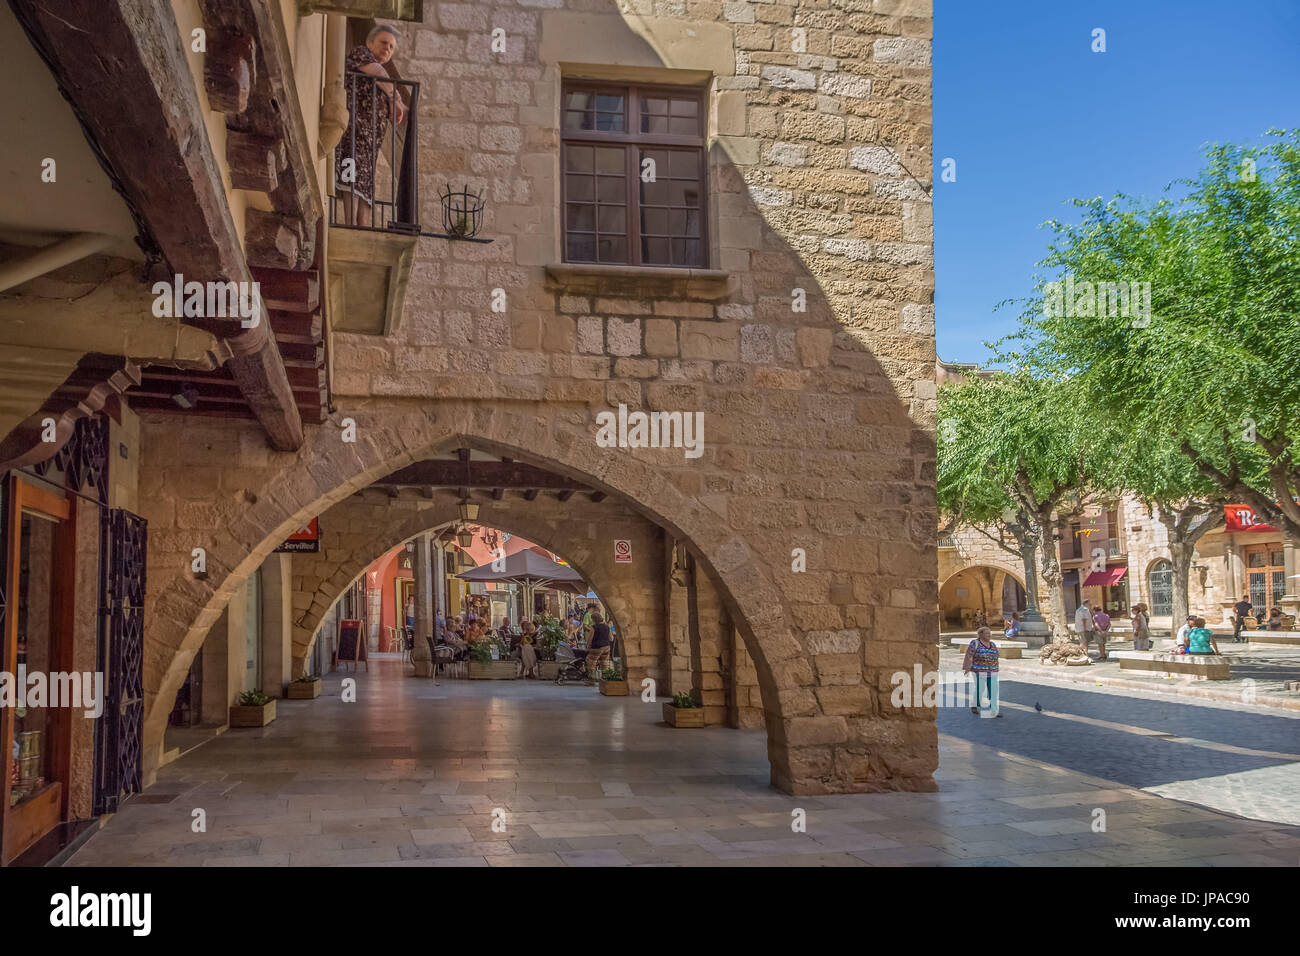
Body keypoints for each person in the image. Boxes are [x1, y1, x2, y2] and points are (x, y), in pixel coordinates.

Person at [335, 25, 407, 227]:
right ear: (370, 43)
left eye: (392, 47)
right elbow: (376, 71)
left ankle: (363, 227)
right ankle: (350, 225)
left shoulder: (383, 82)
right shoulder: (361, 53)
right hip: (354, 132)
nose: (388, 49)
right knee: (352, 178)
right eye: (384, 43)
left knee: (366, 187)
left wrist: (396, 104)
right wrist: (396, 98)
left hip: (369, 142)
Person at [962, 626, 1001, 718]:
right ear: (981, 634)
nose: (989, 635)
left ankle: (994, 710)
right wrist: (967, 668)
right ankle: (974, 705)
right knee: (980, 689)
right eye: (987, 633)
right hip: (978, 670)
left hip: (992, 671)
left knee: (994, 690)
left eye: (990, 633)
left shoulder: (993, 644)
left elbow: (996, 656)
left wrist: (996, 668)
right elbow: (968, 655)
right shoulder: (974, 643)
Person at [583, 612, 613, 678]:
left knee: (591, 663)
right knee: (605, 664)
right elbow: (611, 639)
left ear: (594, 619)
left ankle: (592, 680)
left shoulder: (594, 627)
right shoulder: (607, 627)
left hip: (596, 648)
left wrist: (587, 647)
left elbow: (590, 639)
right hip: (606, 647)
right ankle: (605, 678)